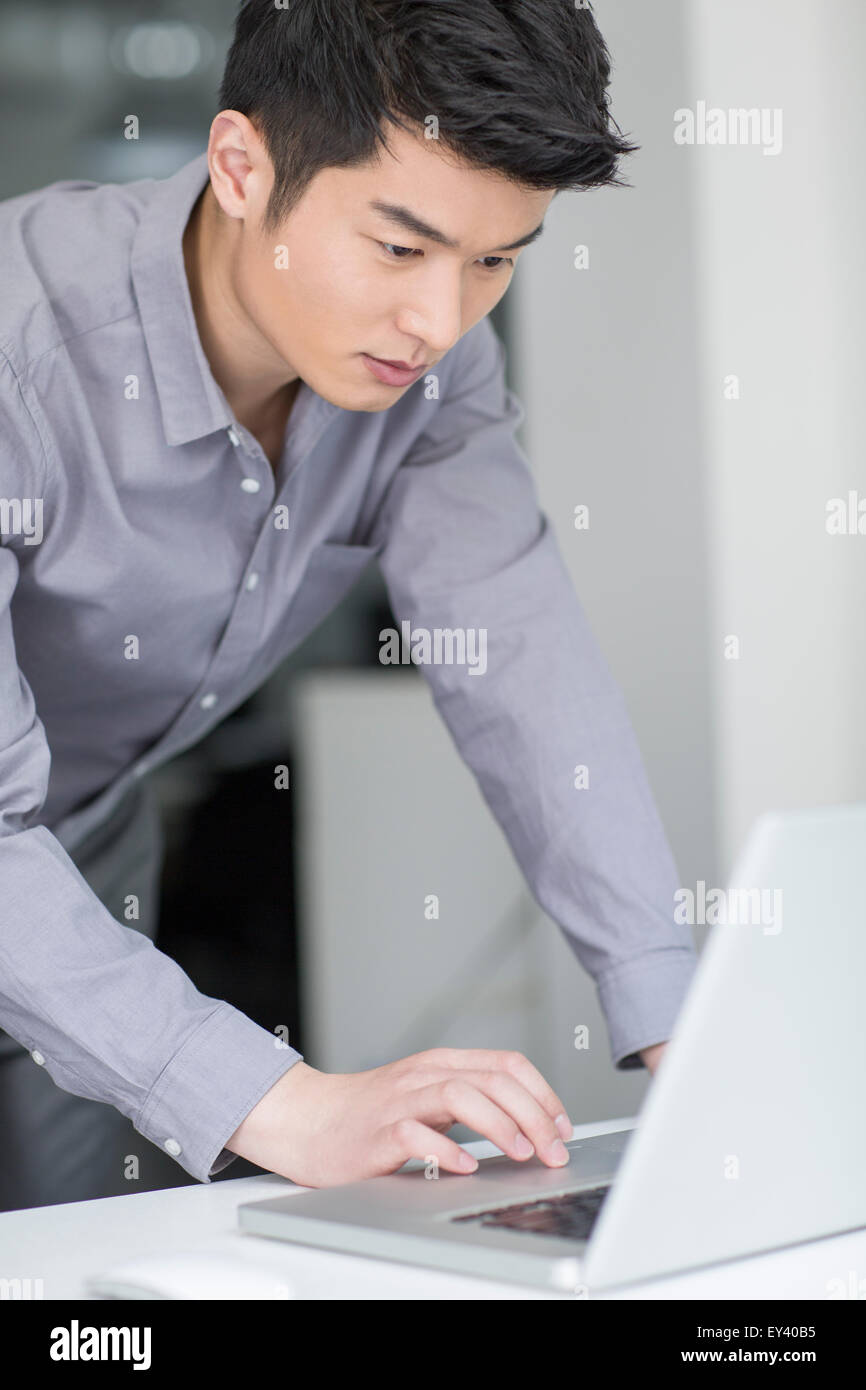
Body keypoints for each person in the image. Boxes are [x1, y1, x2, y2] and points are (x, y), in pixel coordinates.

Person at [0, 0, 697, 1210]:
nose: (437, 322)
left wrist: (672, 1014)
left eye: (492, 262)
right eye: (398, 248)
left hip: (78, 864)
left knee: (76, 1277)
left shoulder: (428, 375)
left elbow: (519, 657)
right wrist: (282, 1100)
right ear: (239, 165)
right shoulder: (22, 351)